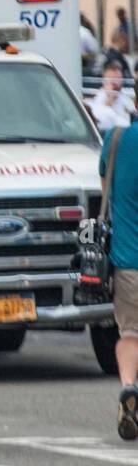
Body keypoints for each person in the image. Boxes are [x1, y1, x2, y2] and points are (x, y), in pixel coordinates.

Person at [100, 125, 138, 440]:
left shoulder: (115, 141)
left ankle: (128, 387)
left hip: (127, 261)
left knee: (130, 334)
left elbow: (106, 192)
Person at [88, 60, 135, 132]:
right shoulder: (97, 99)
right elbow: (101, 121)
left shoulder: (126, 98)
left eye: (118, 79)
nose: (115, 83)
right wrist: (110, 100)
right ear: (104, 80)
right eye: (111, 80)